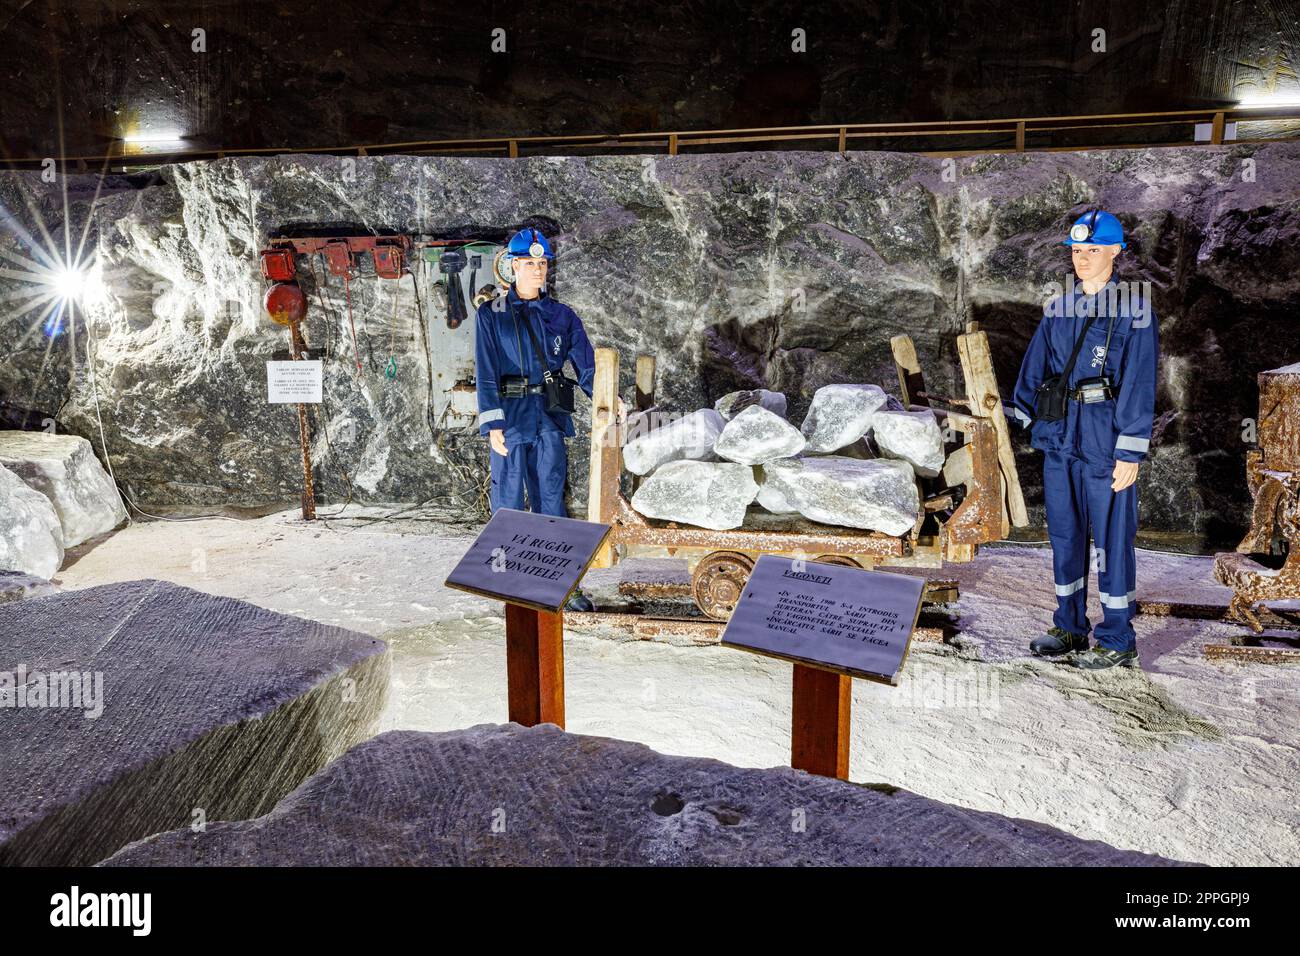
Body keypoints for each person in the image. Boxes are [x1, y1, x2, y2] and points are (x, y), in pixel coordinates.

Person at [1010, 209, 1159, 670]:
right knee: (1065, 533)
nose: (1084, 259)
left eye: (1093, 250)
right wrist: (1020, 418)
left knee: (1113, 539)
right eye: (1077, 251)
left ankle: (1116, 638)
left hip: (1104, 438)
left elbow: (1139, 379)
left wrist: (1131, 447)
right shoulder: (1059, 307)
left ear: (1117, 251)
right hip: (1061, 438)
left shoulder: (1135, 310)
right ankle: (1069, 626)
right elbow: (1035, 366)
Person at [473, 227, 601, 610]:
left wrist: (609, 399)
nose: (537, 270)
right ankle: (506, 583)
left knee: (551, 499)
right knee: (508, 499)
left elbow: (586, 364)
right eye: (529, 263)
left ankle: (562, 584)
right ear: (512, 267)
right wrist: (492, 423)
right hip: (510, 417)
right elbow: (486, 369)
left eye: (542, 263)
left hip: (548, 415)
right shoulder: (491, 314)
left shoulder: (561, 315)